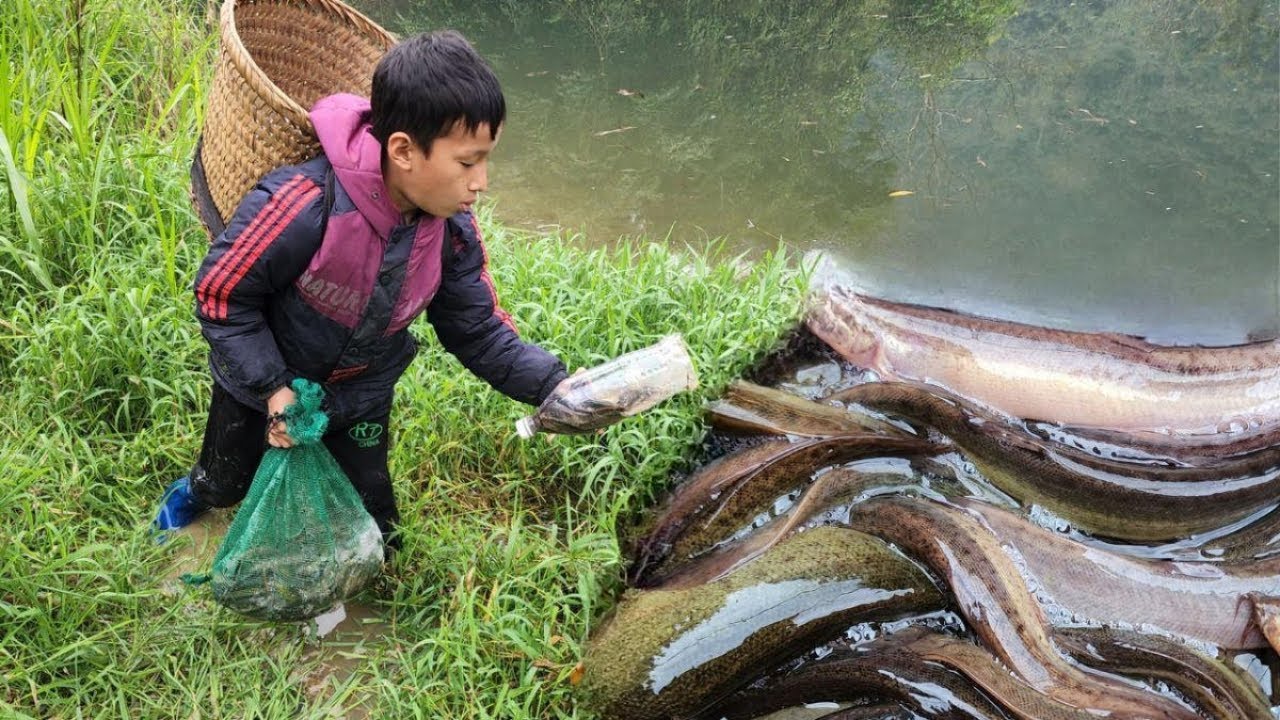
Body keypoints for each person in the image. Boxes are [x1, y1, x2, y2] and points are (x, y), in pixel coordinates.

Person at [153, 30, 568, 550]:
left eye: (486, 160)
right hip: (261, 386)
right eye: (467, 162)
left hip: (362, 392)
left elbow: (478, 330)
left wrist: (555, 388)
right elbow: (221, 296)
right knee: (227, 480)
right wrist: (274, 389)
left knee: (376, 515)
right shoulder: (303, 203)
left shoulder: (452, 233)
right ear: (403, 150)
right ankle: (190, 500)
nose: (482, 180)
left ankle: (368, 595)